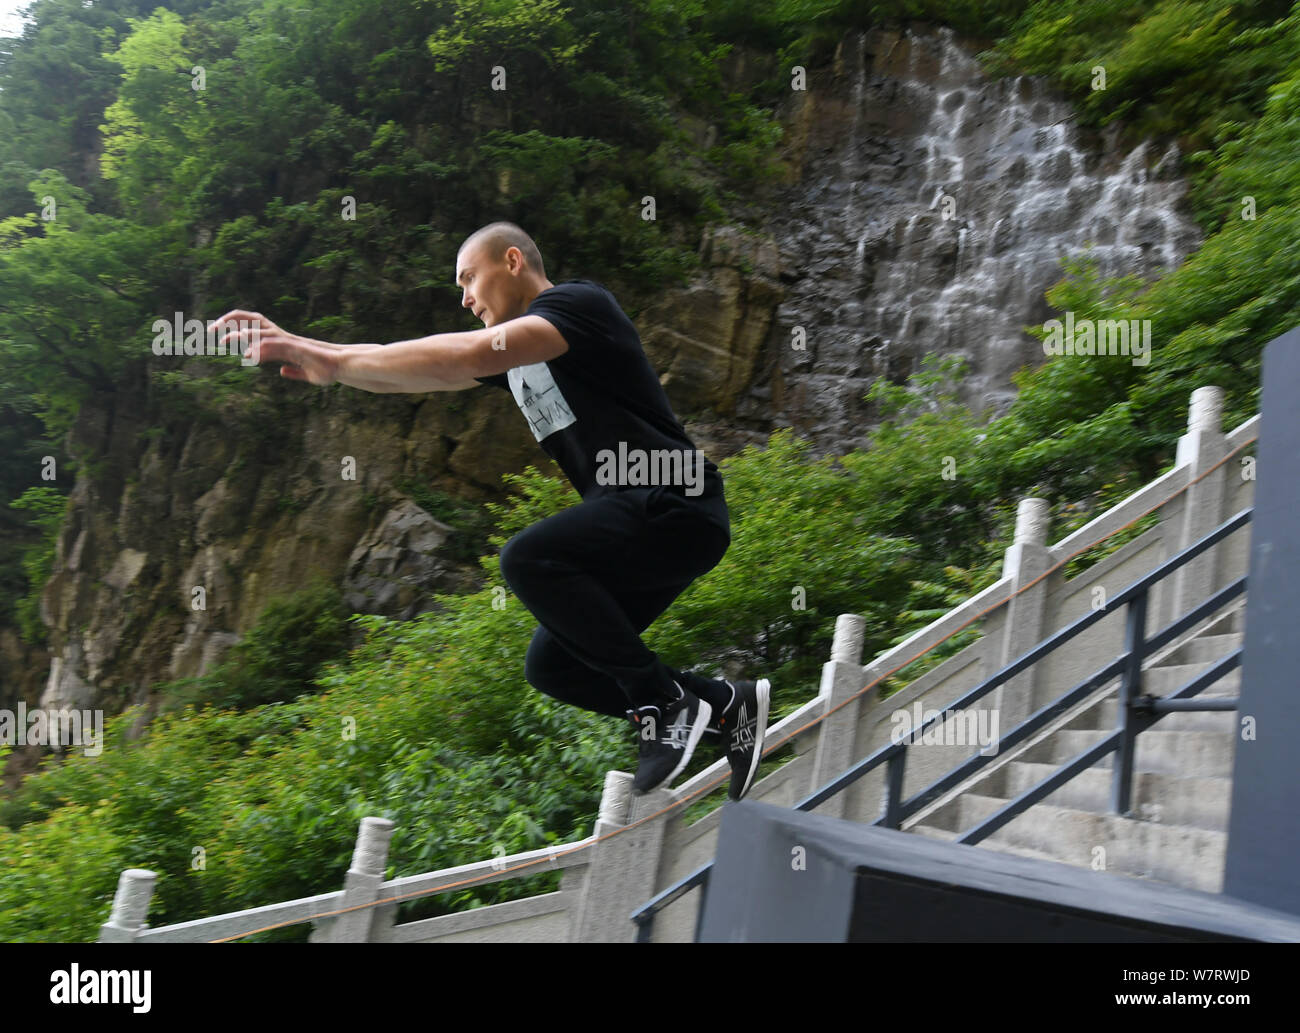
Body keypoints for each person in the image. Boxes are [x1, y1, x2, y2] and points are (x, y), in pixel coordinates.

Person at [212, 220, 769, 799]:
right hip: (643, 530)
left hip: (675, 497)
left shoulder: (578, 304)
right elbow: (420, 365)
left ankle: (664, 704)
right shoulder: (520, 363)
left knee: (527, 560)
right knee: (554, 666)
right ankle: (727, 707)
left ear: (511, 261)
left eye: (469, 278)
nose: (464, 296)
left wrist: (323, 357)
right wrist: (318, 353)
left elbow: (468, 354)